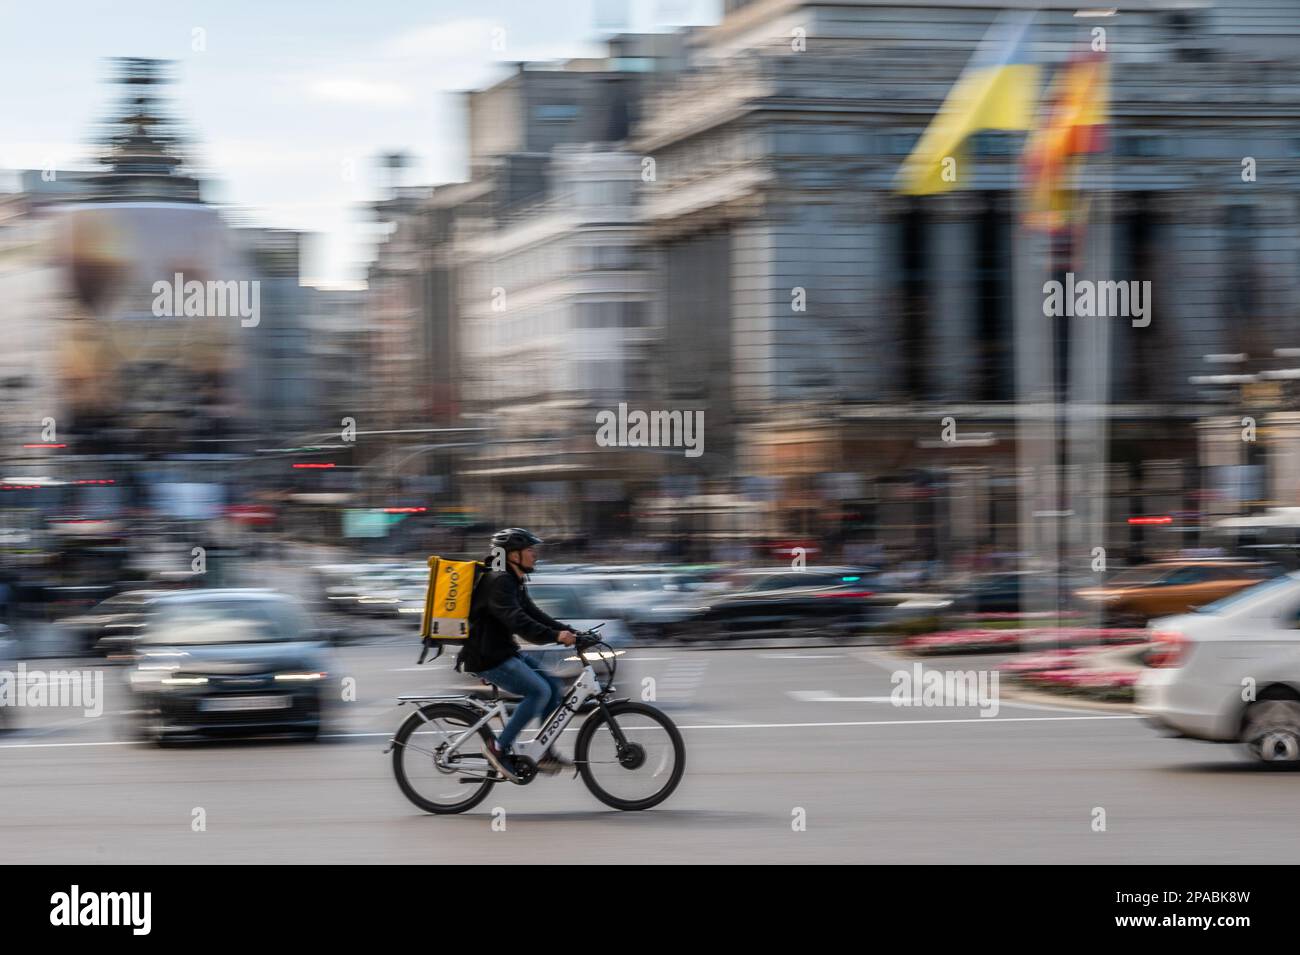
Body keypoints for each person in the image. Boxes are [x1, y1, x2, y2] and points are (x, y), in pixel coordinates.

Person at [457, 528, 577, 777]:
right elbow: (518, 621)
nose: (535, 555)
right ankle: (498, 748)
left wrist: (571, 632)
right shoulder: (499, 581)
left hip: (504, 652)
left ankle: (543, 750)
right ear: (513, 555)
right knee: (538, 691)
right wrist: (555, 636)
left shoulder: (512, 580)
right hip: (488, 656)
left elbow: (534, 613)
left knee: (554, 687)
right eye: (530, 550)